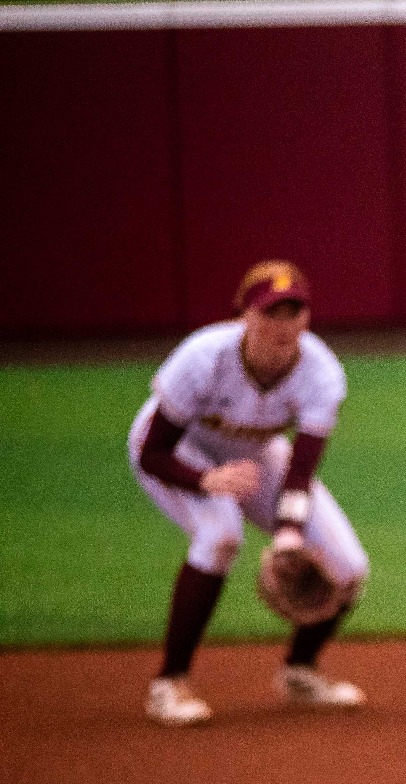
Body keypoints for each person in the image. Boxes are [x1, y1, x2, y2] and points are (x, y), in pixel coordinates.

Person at [129, 260, 369, 725]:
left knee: (348, 566)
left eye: (294, 312)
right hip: (179, 452)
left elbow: (301, 467)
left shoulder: (321, 373)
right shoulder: (202, 357)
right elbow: (151, 452)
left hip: (256, 454)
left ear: (308, 317)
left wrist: (289, 534)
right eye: (270, 312)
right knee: (220, 534)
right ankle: (169, 682)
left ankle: (300, 671)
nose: (283, 325)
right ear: (245, 314)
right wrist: (203, 481)